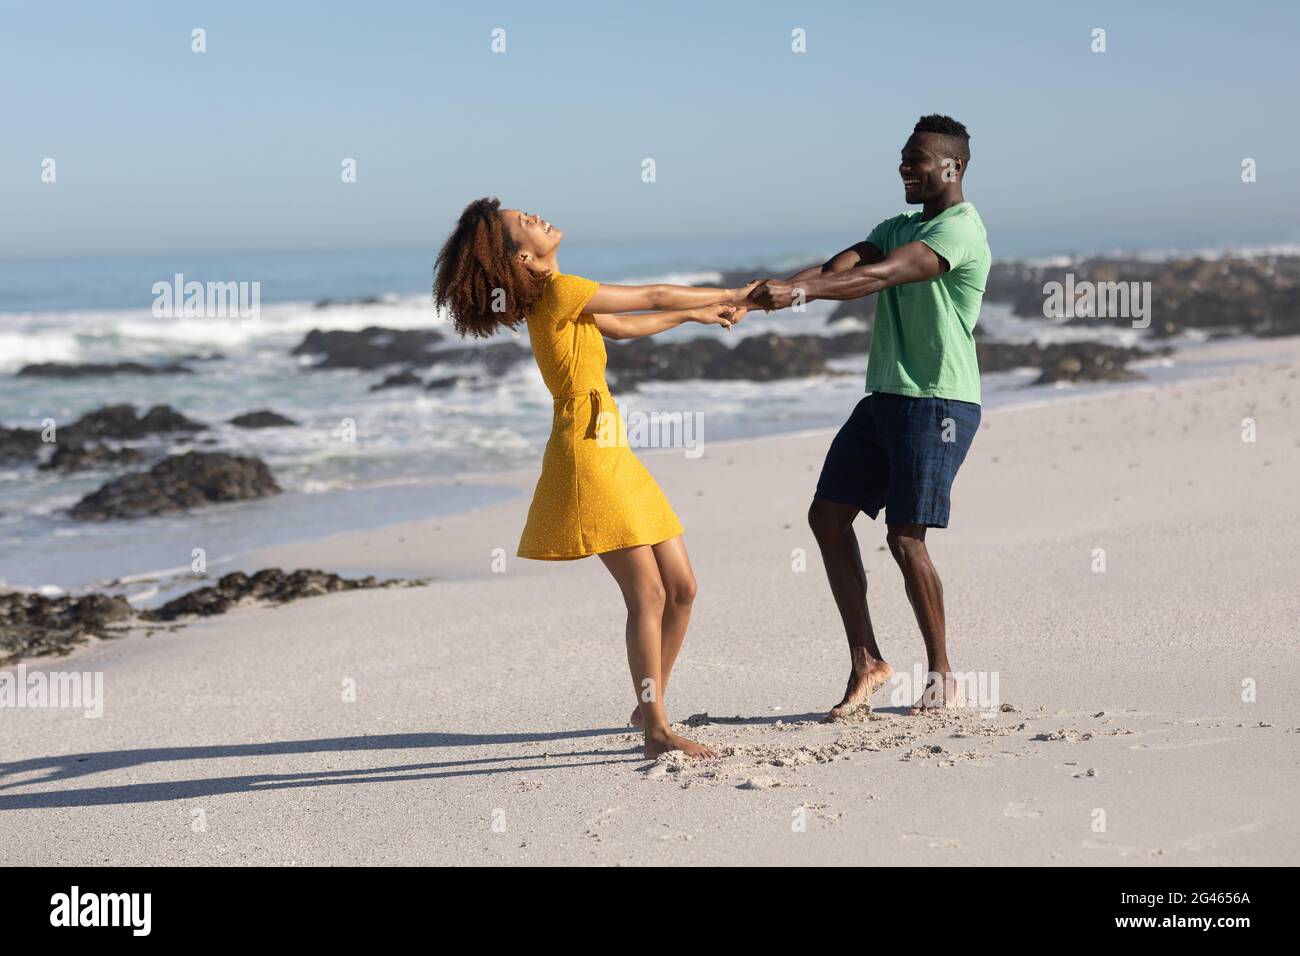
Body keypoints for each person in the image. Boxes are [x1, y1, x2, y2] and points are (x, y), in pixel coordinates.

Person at [433, 198, 752, 757]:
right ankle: (656, 729)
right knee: (647, 593)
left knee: (681, 588)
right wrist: (736, 296)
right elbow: (652, 294)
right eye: (522, 223)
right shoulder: (557, 293)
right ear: (524, 258)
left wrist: (691, 315)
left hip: (611, 446)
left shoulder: (557, 295)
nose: (536, 215)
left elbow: (627, 326)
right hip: (586, 456)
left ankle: (647, 703)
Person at [748, 114, 991, 717]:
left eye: (917, 159)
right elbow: (839, 269)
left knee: (906, 539)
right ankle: (868, 662)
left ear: (952, 167)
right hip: (885, 396)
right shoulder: (898, 224)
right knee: (827, 517)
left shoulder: (960, 230)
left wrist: (799, 294)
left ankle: (941, 676)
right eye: (903, 157)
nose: (904, 167)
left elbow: (880, 276)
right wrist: (755, 297)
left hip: (938, 401)